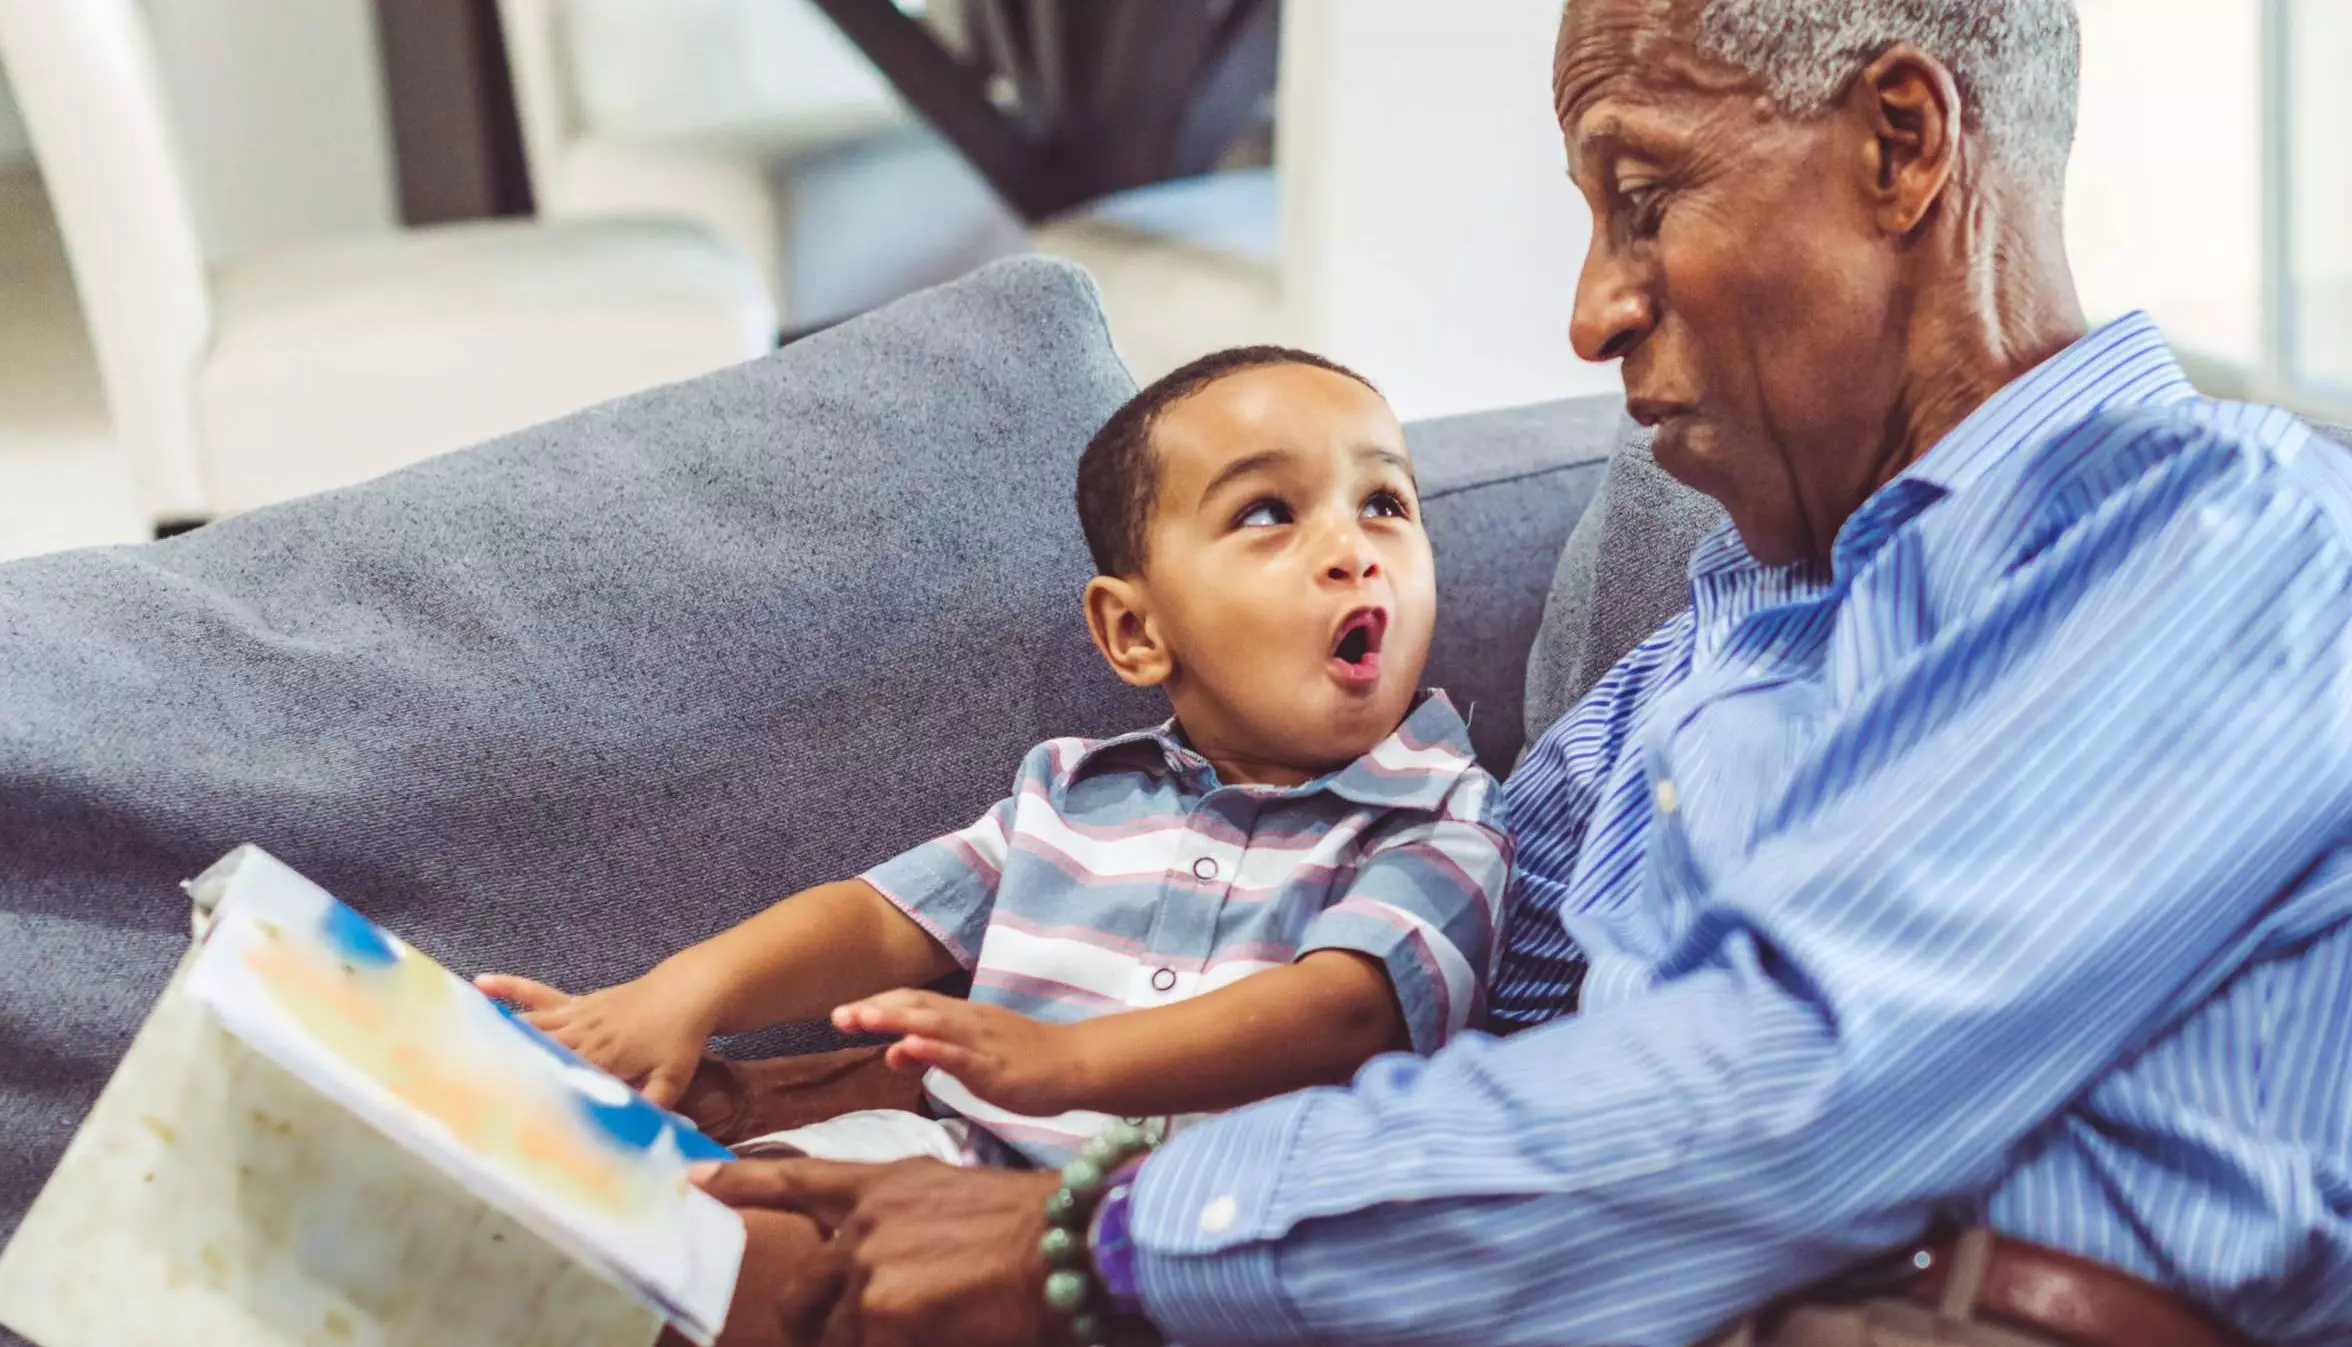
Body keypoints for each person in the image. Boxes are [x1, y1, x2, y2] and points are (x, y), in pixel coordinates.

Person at [684, 0, 2352, 1344]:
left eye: (1644, 199)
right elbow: (1384, 1006)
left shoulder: (2231, 538)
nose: (1589, 309)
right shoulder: (1699, 659)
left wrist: (1089, 1237)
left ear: (1902, 146)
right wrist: (806, 1097)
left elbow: (1782, 1097)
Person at [478, 347, 1510, 1330]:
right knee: (675, 1205)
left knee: (781, 1275)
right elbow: (881, 921)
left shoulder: (1440, 818)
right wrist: (681, 995)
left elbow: (1344, 1011)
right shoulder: (1073, 792)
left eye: (1385, 503)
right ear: (1136, 633)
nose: (1352, 550)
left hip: (1193, 1242)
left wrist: (1069, 1061)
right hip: (960, 1157)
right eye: (1269, 513)